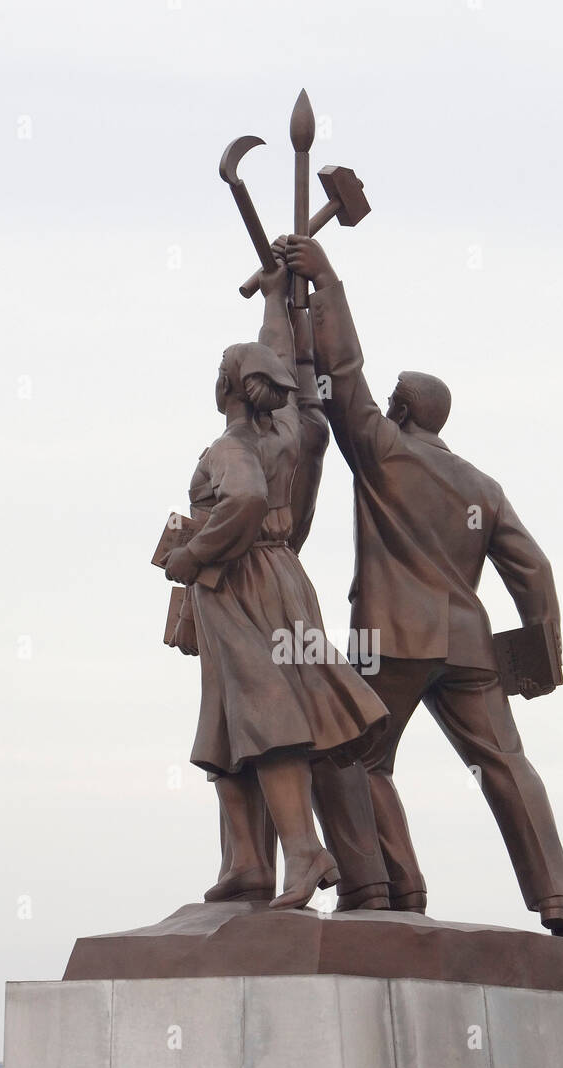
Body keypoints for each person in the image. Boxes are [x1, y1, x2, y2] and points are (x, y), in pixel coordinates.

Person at [283, 235, 563, 937]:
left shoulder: (385, 452)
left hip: (396, 639)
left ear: (405, 411)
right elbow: (533, 571)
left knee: (342, 752)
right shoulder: (481, 484)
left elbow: (343, 371)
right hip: (471, 648)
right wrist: (535, 663)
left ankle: (381, 892)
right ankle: (558, 902)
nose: (382, 409)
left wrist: (325, 281)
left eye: (391, 403)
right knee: (507, 766)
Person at [165, 256, 388, 909]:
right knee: (230, 724)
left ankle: (303, 850)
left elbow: (242, 502)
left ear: (228, 387)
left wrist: (192, 554)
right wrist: (274, 295)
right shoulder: (286, 431)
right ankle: (245, 865)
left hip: (240, 583)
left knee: (265, 717)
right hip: (281, 578)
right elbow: (280, 359)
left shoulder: (228, 450)